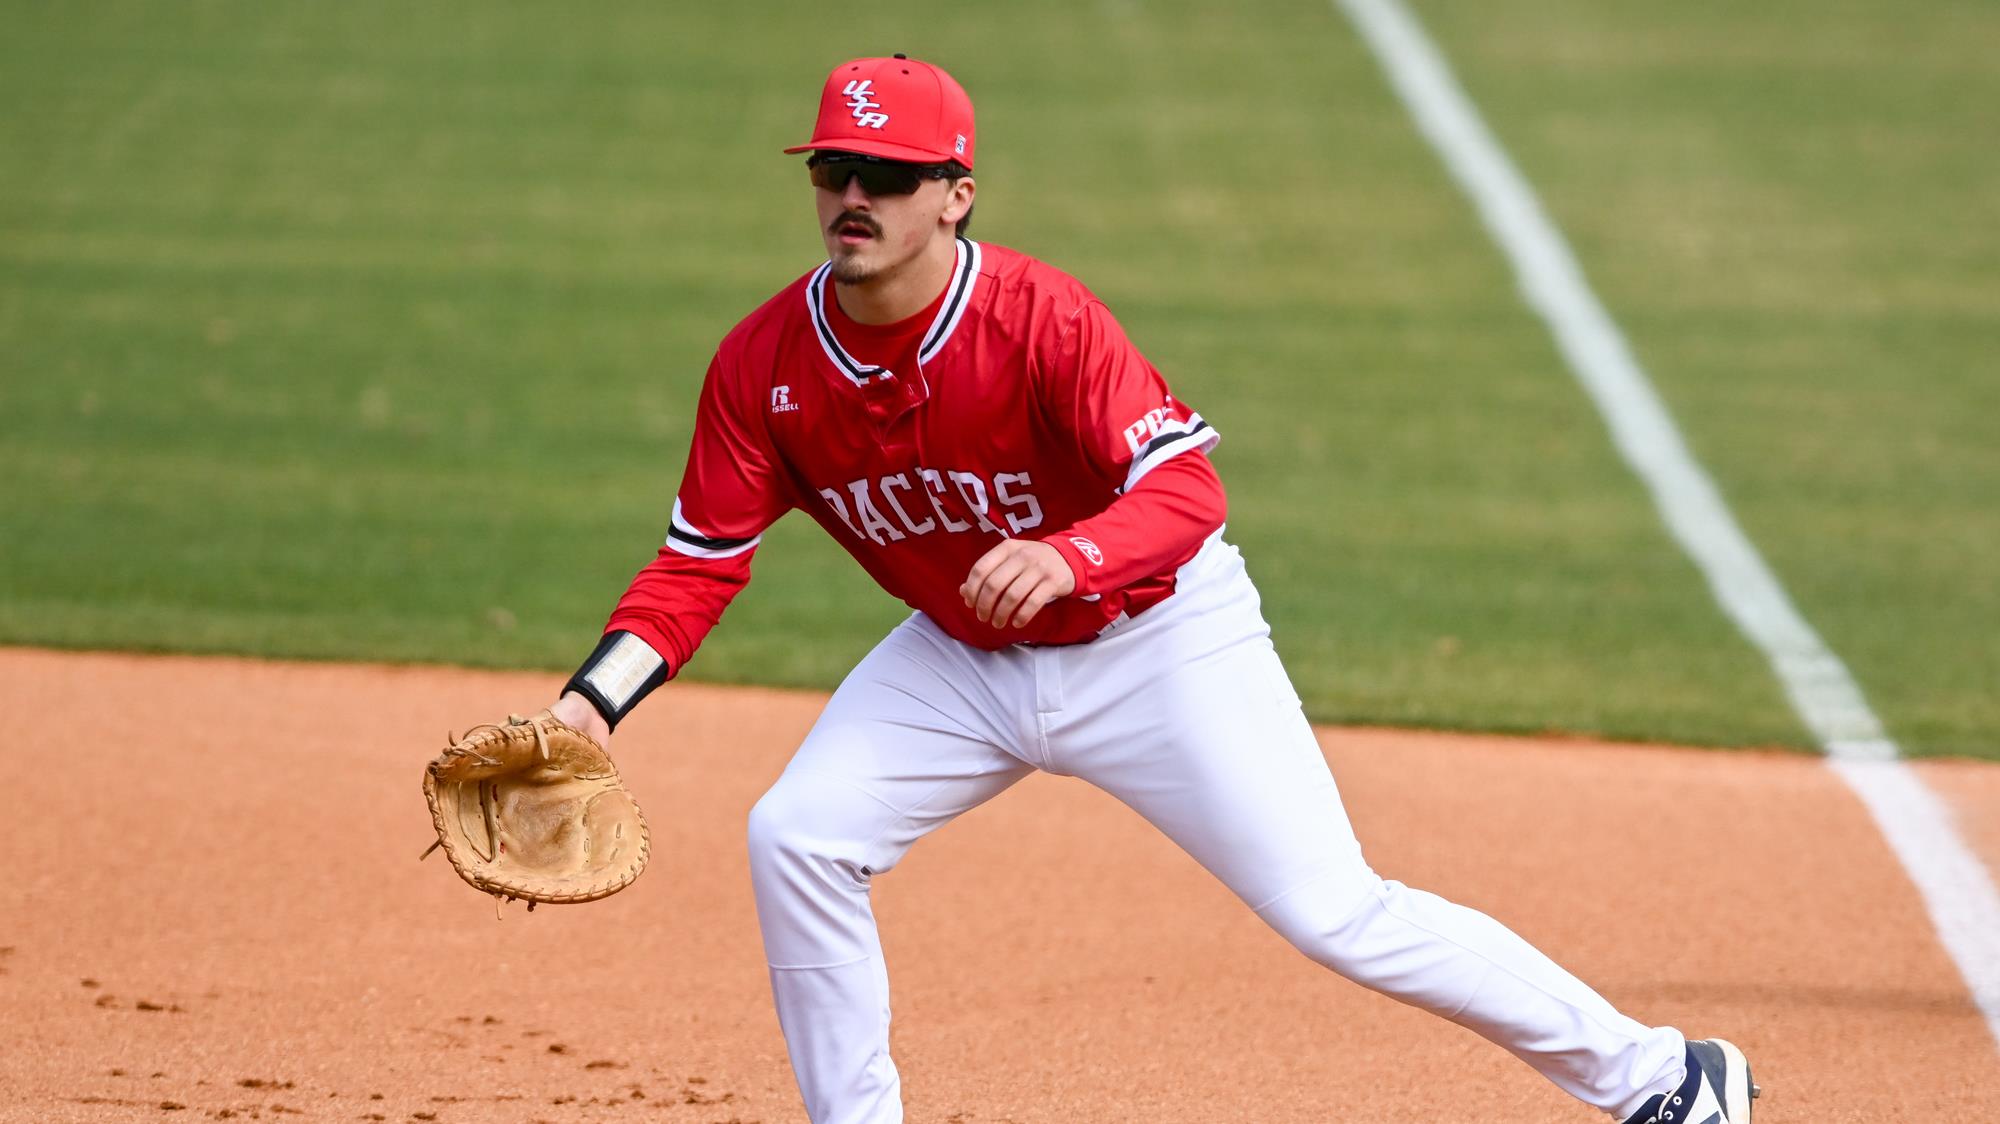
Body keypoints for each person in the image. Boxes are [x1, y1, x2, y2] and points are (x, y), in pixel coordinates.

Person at [544, 54, 1756, 1124]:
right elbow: (697, 561)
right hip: (962, 662)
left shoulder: (1038, 320)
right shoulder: (763, 364)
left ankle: (1660, 1073)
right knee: (796, 835)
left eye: (889, 174)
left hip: (1157, 638)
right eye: (835, 167)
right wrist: (590, 704)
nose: (853, 196)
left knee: (1336, 910)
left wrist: (1068, 553)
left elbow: (1188, 495)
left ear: (955, 195)